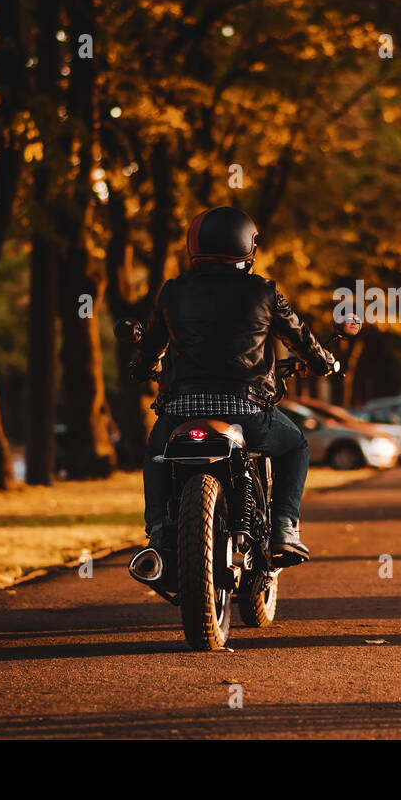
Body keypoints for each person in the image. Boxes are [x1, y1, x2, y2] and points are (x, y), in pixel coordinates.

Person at [127, 206, 338, 583]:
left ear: (196, 244)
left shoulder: (173, 293)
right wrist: (325, 363)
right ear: (248, 246)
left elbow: (150, 349)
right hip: (248, 410)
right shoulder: (264, 291)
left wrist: (141, 368)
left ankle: (159, 535)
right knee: (296, 446)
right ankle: (285, 528)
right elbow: (301, 339)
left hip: (181, 411)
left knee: (156, 453)